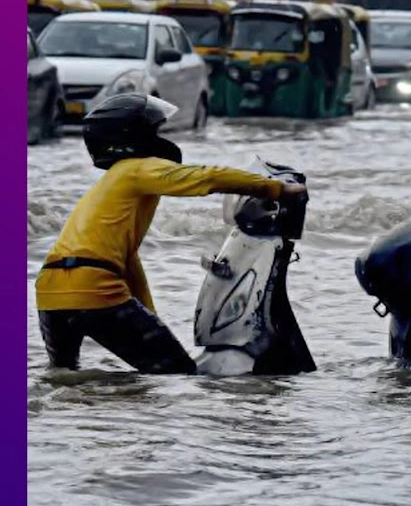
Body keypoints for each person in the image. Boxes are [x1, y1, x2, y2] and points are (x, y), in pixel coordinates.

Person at [35, 93, 307, 375]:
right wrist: (276, 189)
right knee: (177, 374)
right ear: (137, 135)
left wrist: (150, 318)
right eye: (155, 130)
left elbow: (127, 260)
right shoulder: (137, 168)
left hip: (50, 291)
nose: (161, 138)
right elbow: (206, 177)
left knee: (65, 378)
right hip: (93, 288)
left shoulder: (110, 184)